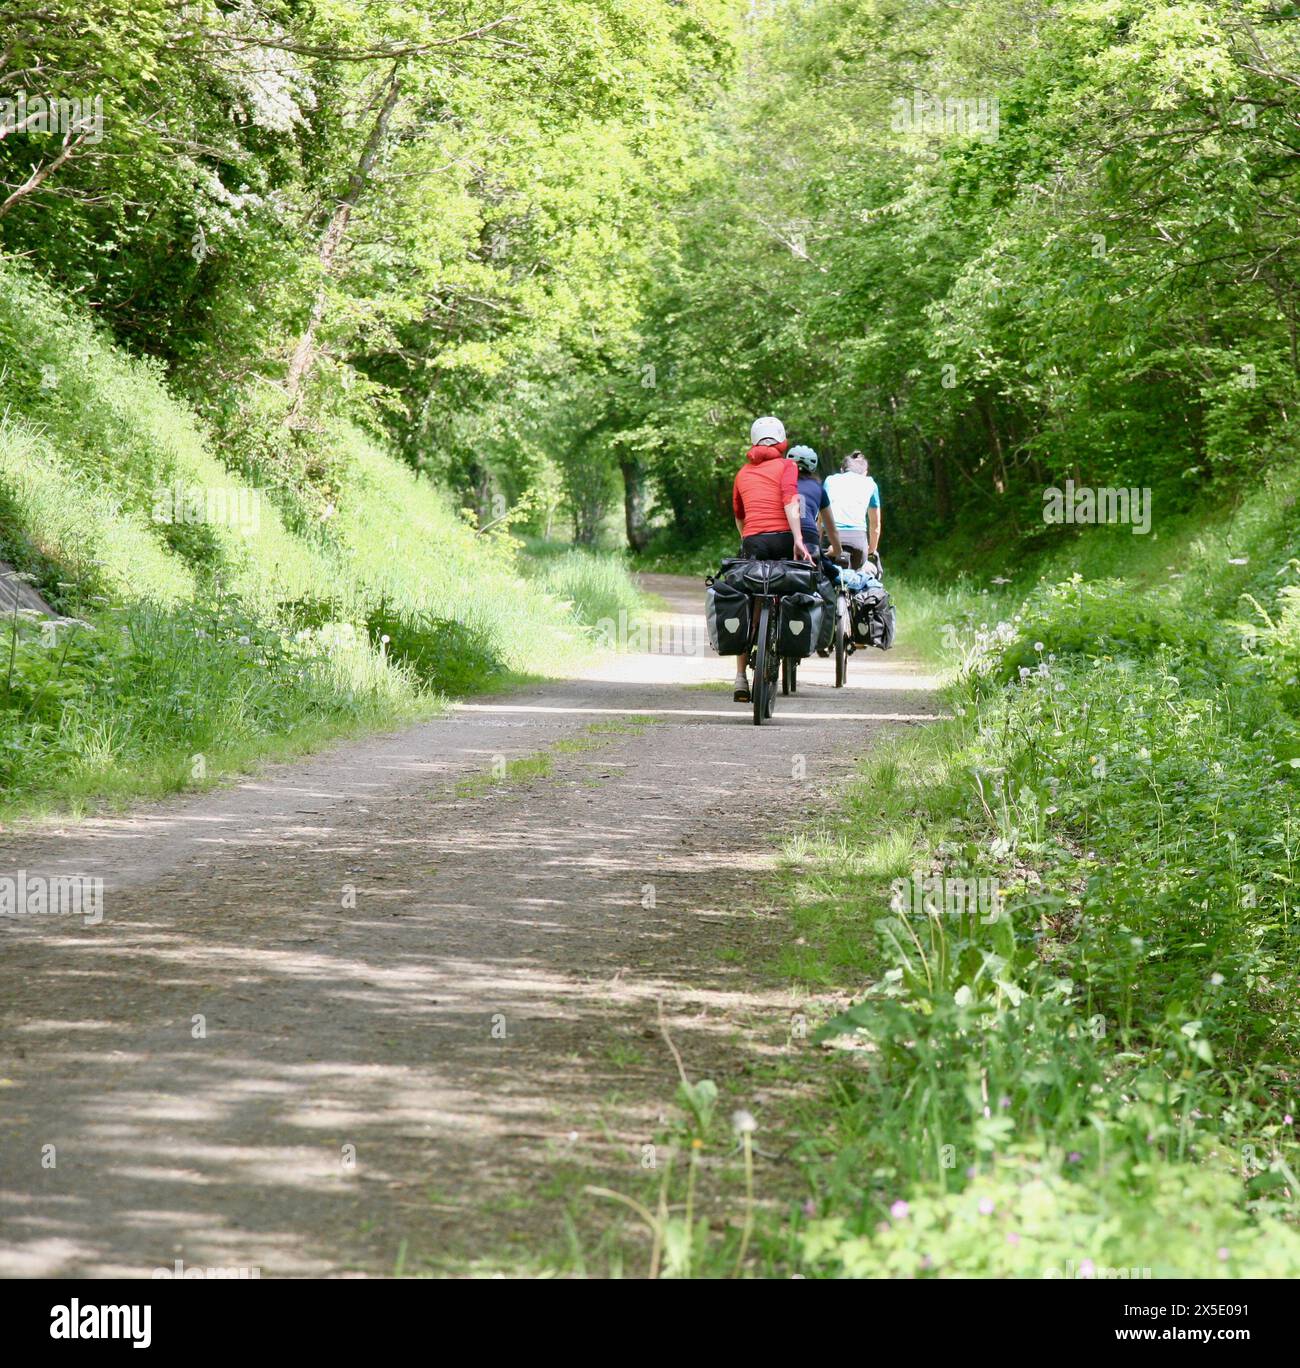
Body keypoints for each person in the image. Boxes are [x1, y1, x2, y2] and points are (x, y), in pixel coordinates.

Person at [729, 415, 812, 701]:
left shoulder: (741, 473)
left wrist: (748, 542)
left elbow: (739, 517)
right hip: (783, 537)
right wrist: (798, 539)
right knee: (787, 586)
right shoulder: (788, 465)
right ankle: (783, 639)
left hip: (753, 540)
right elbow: (790, 500)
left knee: (748, 598)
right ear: (780, 441)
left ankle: (740, 677)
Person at [822, 450, 881, 570]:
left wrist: (815, 545)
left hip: (830, 539)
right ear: (865, 472)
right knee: (860, 574)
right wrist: (871, 550)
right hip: (858, 541)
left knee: (825, 577)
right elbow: (875, 525)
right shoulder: (870, 483)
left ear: (842, 470)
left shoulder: (830, 480)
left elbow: (820, 518)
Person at [789, 444, 843, 575]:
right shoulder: (818, 488)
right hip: (809, 537)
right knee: (829, 574)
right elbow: (831, 528)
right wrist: (837, 551)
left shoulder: (782, 484)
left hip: (783, 534)